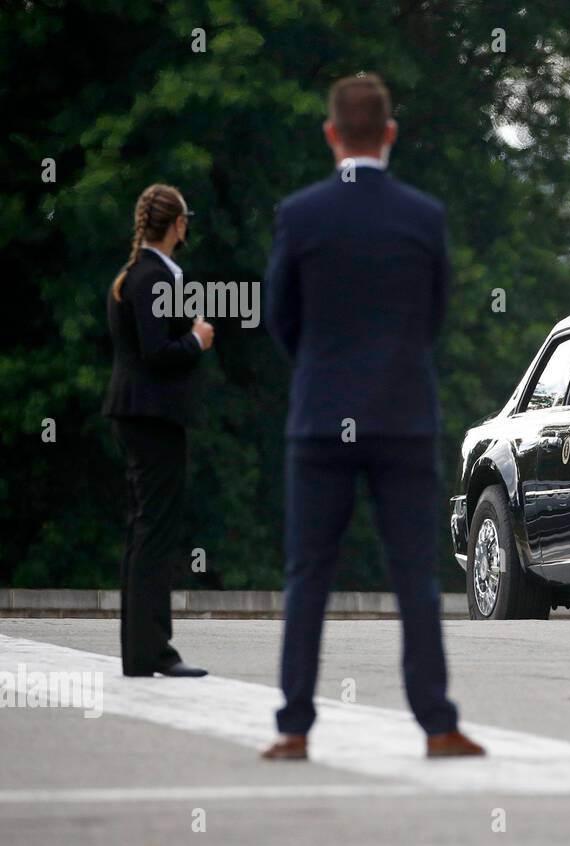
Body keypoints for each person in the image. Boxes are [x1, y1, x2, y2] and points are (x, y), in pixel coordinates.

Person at [261, 73, 484, 761]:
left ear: (331, 134)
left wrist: (324, 371)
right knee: (415, 575)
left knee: (308, 576)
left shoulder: (300, 215)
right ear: (390, 134)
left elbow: (280, 318)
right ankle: (437, 724)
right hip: (402, 414)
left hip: (321, 417)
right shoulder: (424, 217)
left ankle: (294, 727)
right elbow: (434, 317)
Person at [103, 183, 214, 677]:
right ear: (178, 225)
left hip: (137, 416)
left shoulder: (136, 274)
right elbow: (156, 354)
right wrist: (195, 339)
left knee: (144, 530)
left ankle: (143, 651)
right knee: (155, 532)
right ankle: (152, 651)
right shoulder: (153, 278)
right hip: (152, 419)